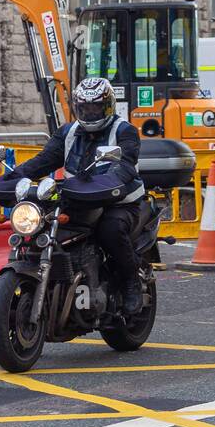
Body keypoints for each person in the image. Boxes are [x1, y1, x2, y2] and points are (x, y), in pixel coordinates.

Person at [14, 77, 149, 315]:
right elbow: (44, 161)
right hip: (77, 199)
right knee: (41, 225)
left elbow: (126, 166)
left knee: (111, 229)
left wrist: (111, 181)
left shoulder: (124, 130)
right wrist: (14, 176)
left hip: (119, 201)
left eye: (95, 107)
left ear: (107, 106)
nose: (90, 112)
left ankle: (131, 283)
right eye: (84, 107)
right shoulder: (67, 132)